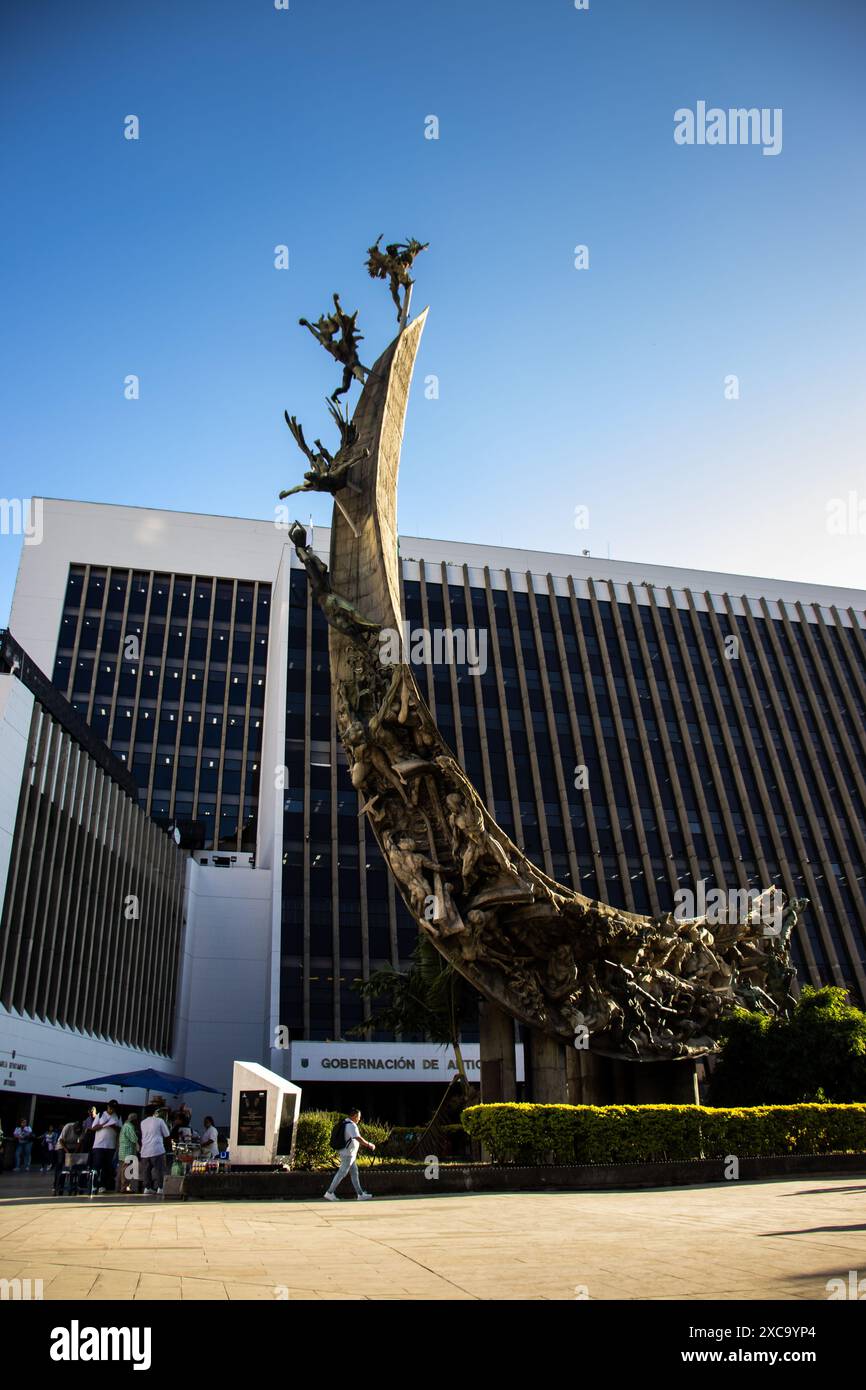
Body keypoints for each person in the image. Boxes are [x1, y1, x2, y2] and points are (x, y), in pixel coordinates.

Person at [324, 1108, 375, 1202]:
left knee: (354, 1172)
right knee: (342, 1172)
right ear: (355, 1116)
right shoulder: (352, 1125)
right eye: (359, 1117)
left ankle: (360, 1194)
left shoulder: (345, 1122)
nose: (359, 1119)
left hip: (349, 1153)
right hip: (348, 1154)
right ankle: (329, 1192)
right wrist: (369, 1144)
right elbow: (357, 1138)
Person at [90, 1100, 122, 1192]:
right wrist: (103, 1125)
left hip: (110, 1146)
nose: (111, 1110)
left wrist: (113, 1126)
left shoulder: (117, 1116)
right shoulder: (100, 1115)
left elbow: (120, 1129)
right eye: (110, 1108)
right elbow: (93, 1128)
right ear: (107, 1107)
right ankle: (94, 1184)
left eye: (113, 1109)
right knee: (97, 1165)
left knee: (107, 1167)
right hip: (98, 1145)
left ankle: (102, 1185)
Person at [140, 1104, 170, 1194]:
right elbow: (167, 1135)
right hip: (157, 1149)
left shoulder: (142, 1122)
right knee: (159, 1170)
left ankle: (147, 1188)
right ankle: (160, 1188)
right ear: (155, 1112)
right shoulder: (159, 1121)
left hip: (145, 1150)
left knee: (146, 1171)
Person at [55, 1119, 89, 1192]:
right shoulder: (68, 1127)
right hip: (62, 1146)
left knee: (77, 1164)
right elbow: (61, 1140)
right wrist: (67, 1152)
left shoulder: (83, 1129)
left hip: (73, 1147)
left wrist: (75, 1153)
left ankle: (77, 1183)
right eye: (76, 1131)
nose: (77, 1132)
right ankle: (58, 1184)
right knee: (61, 1162)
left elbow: (79, 1143)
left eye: (78, 1131)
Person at [117, 1112, 141, 1193]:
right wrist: (138, 1146)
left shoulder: (125, 1125)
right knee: (126, 1170)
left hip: (123, 1151)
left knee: (122, 1169)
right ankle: (124, 1188)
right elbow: (134, 1138)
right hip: (127, 1151)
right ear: (134, 1120)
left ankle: (120, 1187)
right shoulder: (129, 1126)